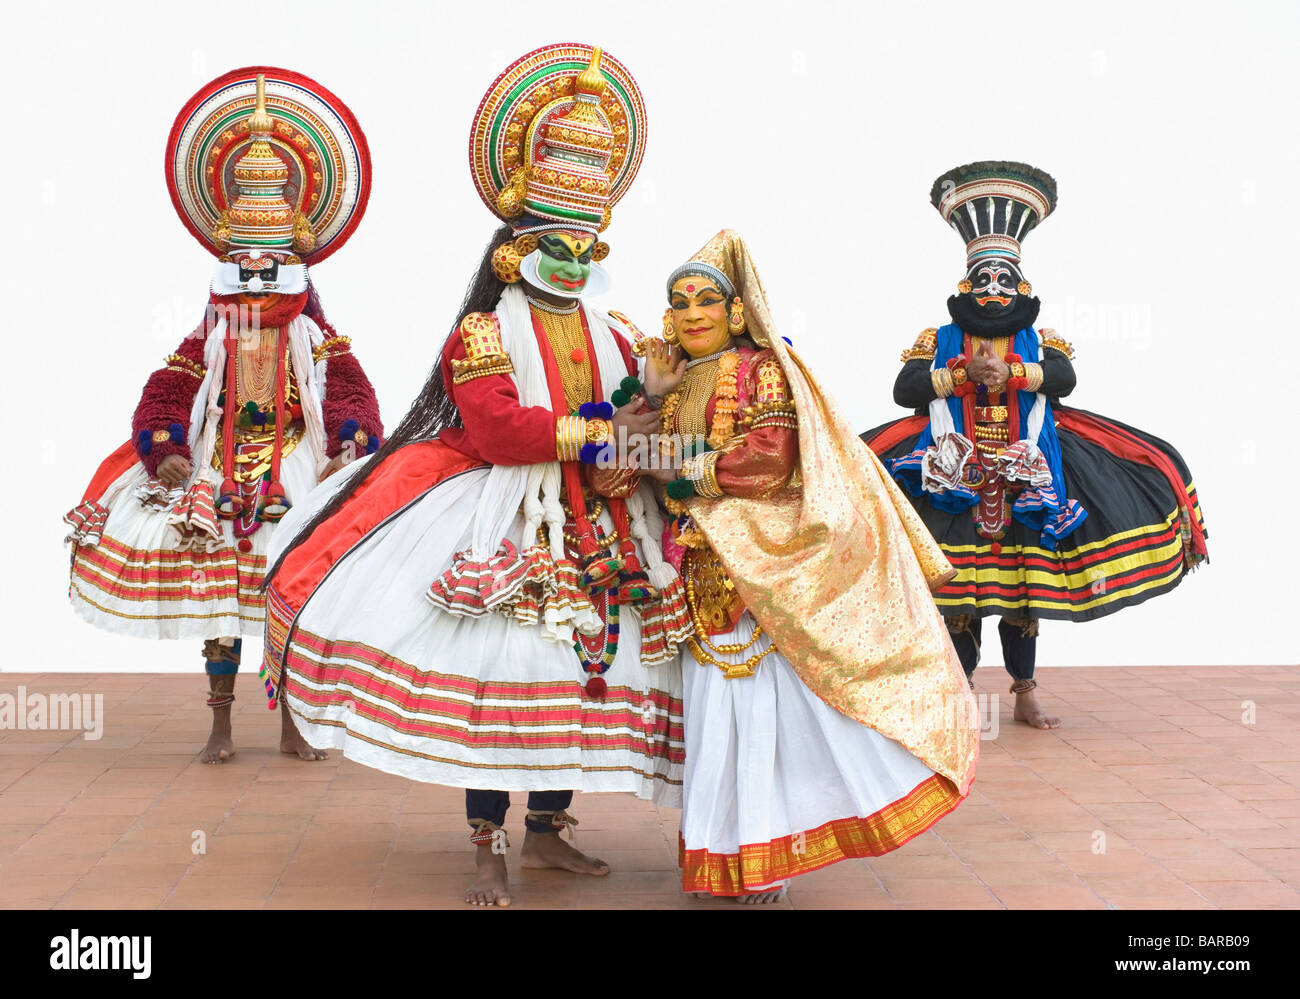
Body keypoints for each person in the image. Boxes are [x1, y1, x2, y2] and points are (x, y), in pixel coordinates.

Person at [260, 44, 690, 908]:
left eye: (583, 246)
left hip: (601, 520)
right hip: (508, 515)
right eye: (552, 246)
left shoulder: (618, 333)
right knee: (503, 673)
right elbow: (497, 430)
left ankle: (548, 831)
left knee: (581, 677)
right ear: (513, 250)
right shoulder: (483, 335)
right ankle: (487, 843)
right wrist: (612, 431)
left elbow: (627, 415)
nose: (570, 262)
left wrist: (657, 412)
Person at [640, 230, 979, 902]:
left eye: (708, 300)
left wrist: (690, 474)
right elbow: (646, 462)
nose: (694, 313)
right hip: (697, 570)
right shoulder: (676, 385)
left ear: (737, 312)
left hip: (768, 566)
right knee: (716, 719)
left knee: (772, 717)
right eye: (680, 304)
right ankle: (721, 856)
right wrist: (650, 400)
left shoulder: (763, 367)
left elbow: (771, 454)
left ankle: (773, 860)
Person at [64, 68, 382, 763]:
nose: (259, 272)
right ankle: (222, 723)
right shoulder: (210, 331)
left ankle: (293, 723)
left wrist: (353, 440)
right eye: (245, 260)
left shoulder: (313, 332)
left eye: (272, 260)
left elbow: (347, 389)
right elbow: (171, 384)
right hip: (221, 468)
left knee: (287, 590)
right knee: (219, 601)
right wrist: (164, 442)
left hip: (293, 462)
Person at [864, 162, 1207, 728]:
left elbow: (1066, 380)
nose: (992, 290)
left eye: (1003, 281)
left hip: (1030, 471)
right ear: (964, 286)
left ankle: (1024, 692)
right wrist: (960, 375)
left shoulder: (1042, 340)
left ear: (1022, 286)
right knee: (959, 593)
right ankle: (962, 692)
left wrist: (1015, 373)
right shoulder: (939, 339)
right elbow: (905, 391)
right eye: (982, 281)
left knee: (1024, 594)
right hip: (953, 471)